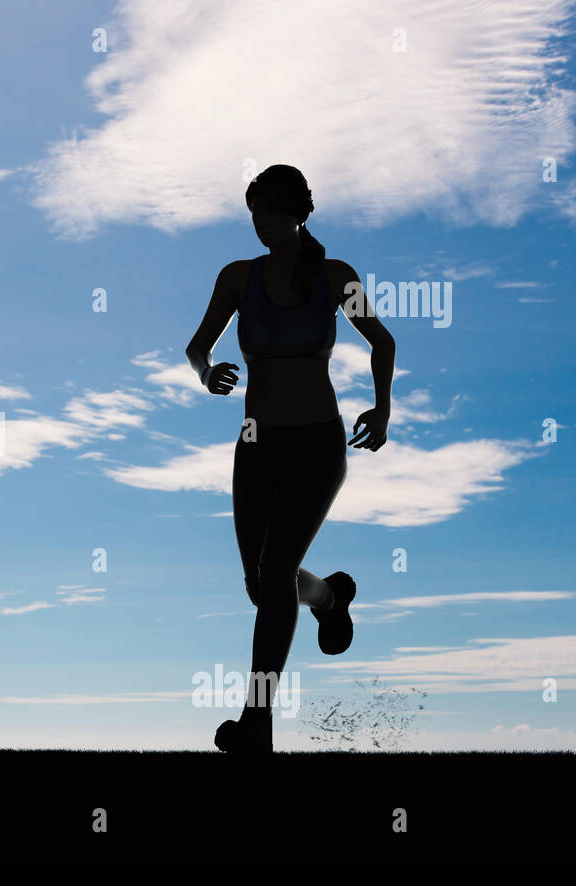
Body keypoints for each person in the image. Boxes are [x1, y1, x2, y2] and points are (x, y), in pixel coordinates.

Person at [185, 164, 396, 754]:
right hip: (256, 445)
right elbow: (197, 346)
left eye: (272, 210)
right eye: (254, 210)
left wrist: (381, 410)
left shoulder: (335, 277)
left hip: (316, 444)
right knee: (261, 586)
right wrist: (207, 374)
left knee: (274, 574)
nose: (261, 222)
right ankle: (330, 596)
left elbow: (381, 340)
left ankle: (256, 723)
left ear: (298, 212)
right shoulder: (236, 278)